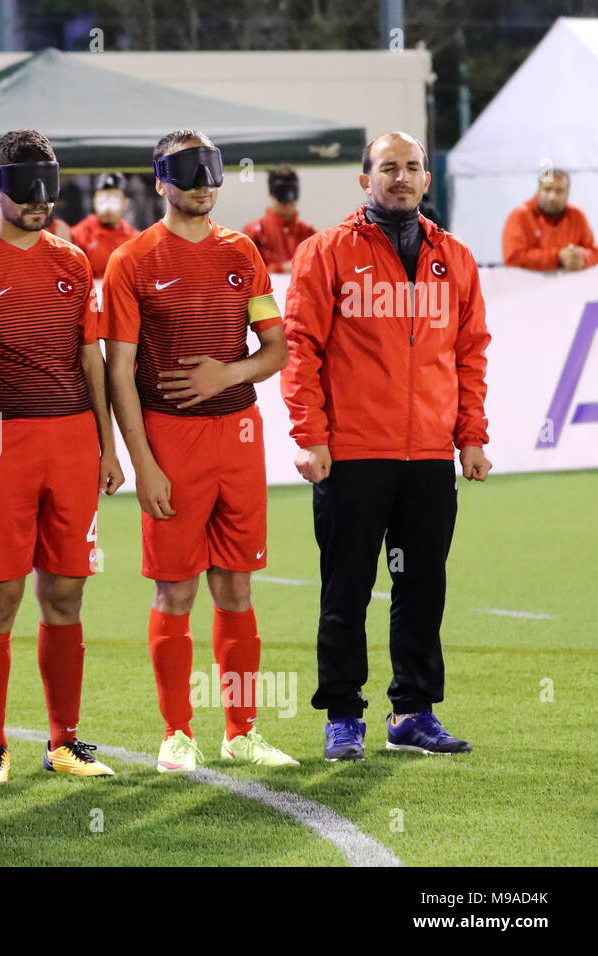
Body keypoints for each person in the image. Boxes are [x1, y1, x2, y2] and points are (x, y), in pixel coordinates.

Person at [0, 129, 125, 783]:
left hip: (71, 444)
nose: (40, 202)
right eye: (26, 188)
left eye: (49, 187)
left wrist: (107, 444)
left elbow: (91, 359)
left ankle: (64, 740)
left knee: (66, 593)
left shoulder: (74, 261)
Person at [282, 131, 491, 761]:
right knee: (345, 589)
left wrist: (471, 438)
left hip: (428, 455)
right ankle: (344, 715)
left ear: (427, 179)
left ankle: (414, 712)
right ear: (364, 178)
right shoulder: (325, 253)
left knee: (422, 587)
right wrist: (310, 437)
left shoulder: (453, 257)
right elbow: (301, 350)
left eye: (412, 167)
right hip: (351, 453)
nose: (400, 177)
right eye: (388, 168)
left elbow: (471, 353)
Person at [103, 129, 297, 774]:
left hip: (238, 436)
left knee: (237, 588)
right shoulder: (131, 261)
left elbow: (276, 349)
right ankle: (176, 733)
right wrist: (143, 463)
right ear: (160, 179)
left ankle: (241, 732)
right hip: (171, 442)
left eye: (210, 170)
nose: (203, 183)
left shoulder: (243, 252)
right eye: (188, 172)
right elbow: (119, 372)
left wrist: (228, 374)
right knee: (176, 593)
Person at [502, 168, 597, 271]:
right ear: (538, 191)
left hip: (571, 285)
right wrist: (557, 257)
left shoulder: (577, 216)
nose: (552, 196)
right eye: (547, 189)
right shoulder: (520, 216)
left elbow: (594, 252)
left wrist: (583, 258)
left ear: (568, 193)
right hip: (531, 285)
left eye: (559, 191)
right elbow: (513, 258)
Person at [243, 165, 315, 274]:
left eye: (292, 193)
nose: (287, 202)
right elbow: (245, 275)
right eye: (281, 193)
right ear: (271, 194)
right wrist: (280, 269)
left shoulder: (309, 234)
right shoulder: (253, 232)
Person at [70, 171, 140, 278]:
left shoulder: (135, 239)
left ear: (125, 204)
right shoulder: (78, 234)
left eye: (113, 201)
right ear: (94, 202)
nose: (107, 209)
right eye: (102, 201)